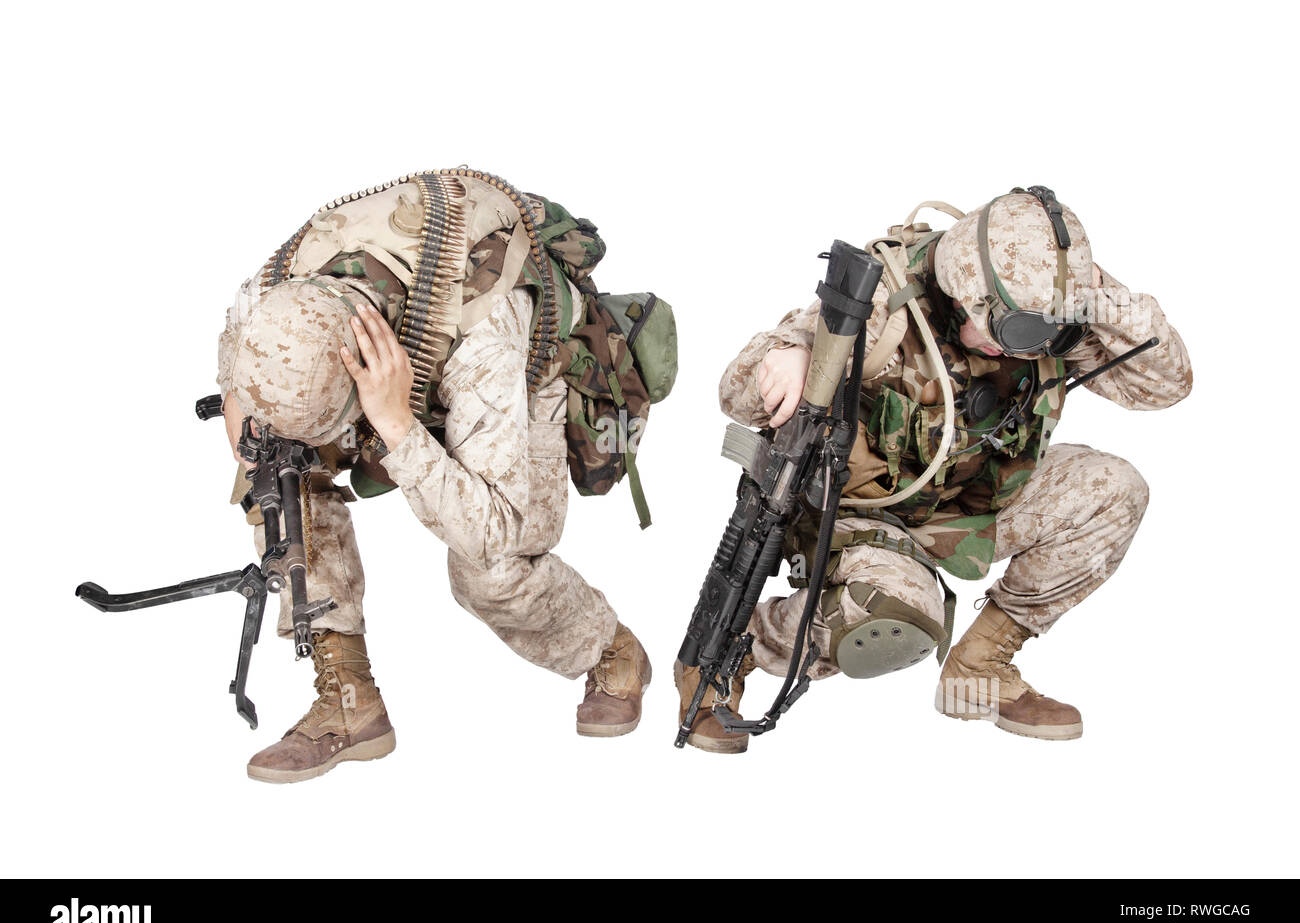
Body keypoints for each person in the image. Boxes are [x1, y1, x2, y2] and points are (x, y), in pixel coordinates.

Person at [679, 187, 1192, 752]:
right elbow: (735, 392)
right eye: (1017, 332)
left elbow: (1165, 386)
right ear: (966, 295)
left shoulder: (1044, 317)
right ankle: (743, 647)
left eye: (1050, 333)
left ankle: (980, 668)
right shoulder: (885, 312)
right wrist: (797, 353)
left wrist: (1097, 302)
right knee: (895, 624)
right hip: (866, 516)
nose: (1029, 349)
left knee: (1114, 491)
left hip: (974, 500)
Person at [218, 169, 651, 783]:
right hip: (407, 354)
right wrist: (237, 400)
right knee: (275, 467)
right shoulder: (278, 294)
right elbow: (238, 325)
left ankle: (611, 650)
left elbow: (496, 529)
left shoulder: (485, 333)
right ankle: (349, 703)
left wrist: (396, 427)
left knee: (489, 572)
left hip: (529, 372)